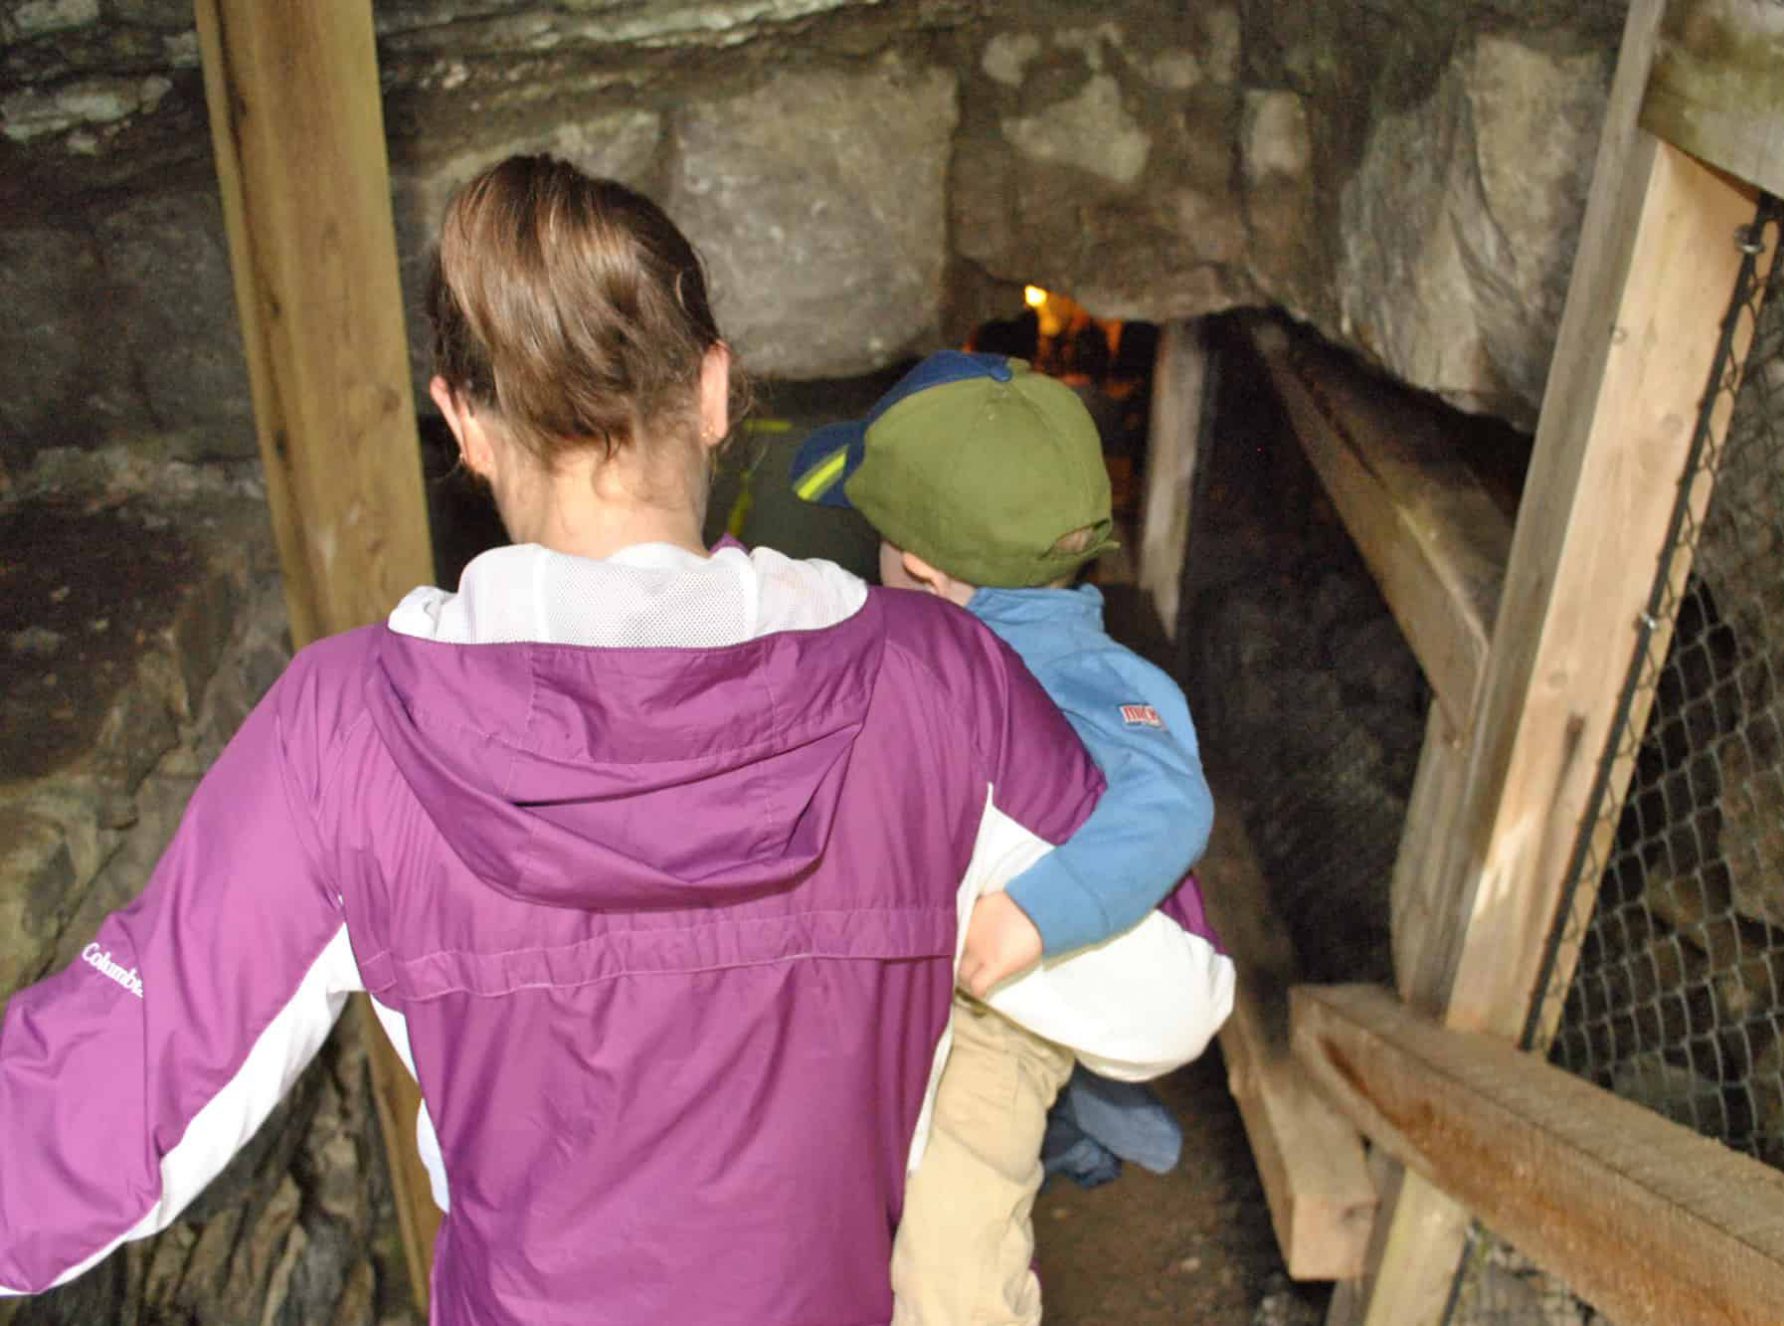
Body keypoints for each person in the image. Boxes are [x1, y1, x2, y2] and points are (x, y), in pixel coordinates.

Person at [0, 157, 1232, 1325]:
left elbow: (96, 1111)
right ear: (710, 392)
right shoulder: (935, 687)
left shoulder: (343, 732)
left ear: (463, 423)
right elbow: (1174, 998)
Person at [790, 351, 1220, 1325]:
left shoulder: (1087, 675)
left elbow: (1168, 805)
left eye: (879, 547)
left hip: (997, 1017)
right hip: (904, 977)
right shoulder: (920, 650)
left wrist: (1034, 917)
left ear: (928, 577)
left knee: (951, 1257)